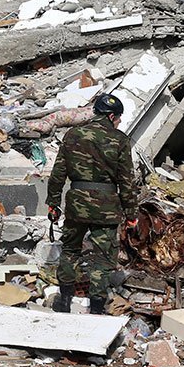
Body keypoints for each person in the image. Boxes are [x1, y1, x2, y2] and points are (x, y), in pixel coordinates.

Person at [44, 94, 141, 315]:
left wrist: (53, 203)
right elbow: (127, 181)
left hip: (76, 203)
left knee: (70, 250)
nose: (119, 123)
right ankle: (97, 307)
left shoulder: (73, 135)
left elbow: (58, 173)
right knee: (104, 257)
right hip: (106, 207)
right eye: (118, 119)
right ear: (111, 116)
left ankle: (65, 301)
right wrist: (131, 213)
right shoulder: (120, 140)